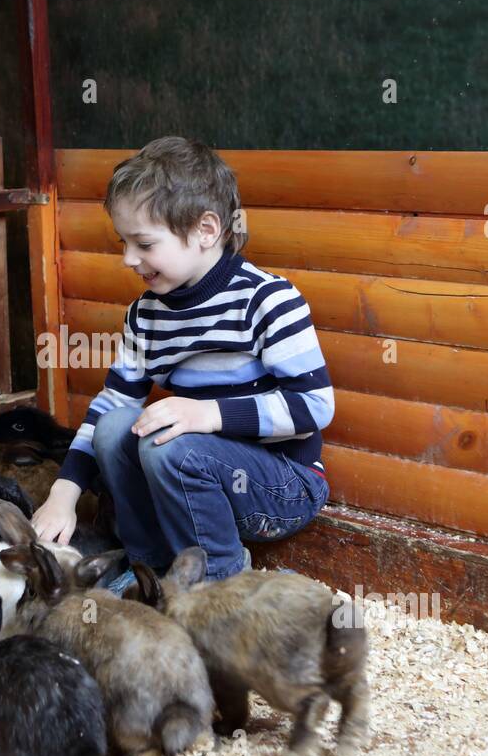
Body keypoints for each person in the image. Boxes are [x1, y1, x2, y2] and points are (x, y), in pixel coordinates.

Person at [31, 136, 333, 595]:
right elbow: (111, 405)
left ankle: (219, 584)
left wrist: (207, 414)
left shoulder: (267, 299)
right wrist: (64, 492)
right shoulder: (146, 315)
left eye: (144, 243)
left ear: (206, 230)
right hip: (191, 480)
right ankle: (151, 572)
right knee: (117, 426)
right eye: (124, 242)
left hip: (282, 488)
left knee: (174, 445)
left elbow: (313, 406)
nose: (128, 259)